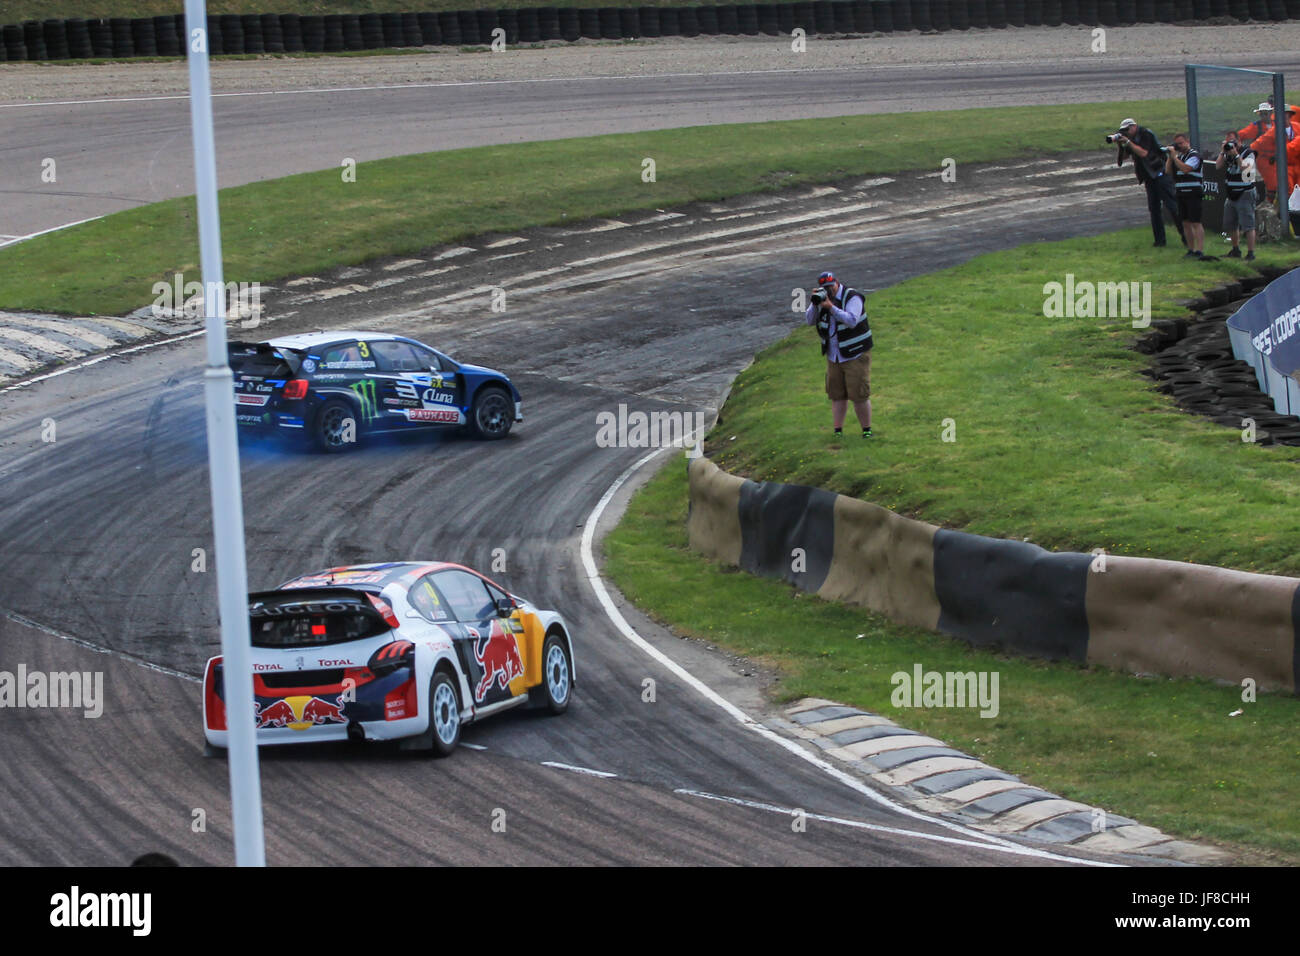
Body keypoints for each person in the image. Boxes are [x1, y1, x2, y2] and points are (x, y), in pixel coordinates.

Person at [803, 270, 872, 438]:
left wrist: (831, 308)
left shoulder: (852, 297)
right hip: (834, 356)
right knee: (836, 395)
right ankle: (838, 431)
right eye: (825, 288)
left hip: (854, 355)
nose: (829, 290)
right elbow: (809, 320)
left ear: (837, 282)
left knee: (859, 395)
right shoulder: (822, 299)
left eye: (830, 286)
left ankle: (866, 430)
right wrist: (815, 303)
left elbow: (851, 321)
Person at [1112, 118, 1183, 247]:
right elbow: (1121, 160)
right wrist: (1120, 146)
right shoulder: (1130, 139)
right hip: (1149, 178)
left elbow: (1144, 153)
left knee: (1172, 207)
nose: (1126, 133)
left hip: (1160, 174)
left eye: (1127, 130)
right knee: (1154, 209)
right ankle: (1159, 241)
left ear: (1134, 126)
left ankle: (1186, 237)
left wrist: (1128, 142)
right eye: (1123, 131)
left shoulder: (1146, 134)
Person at [1218, 130, 1257, 260]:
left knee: (1248, 225)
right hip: (1231, 194)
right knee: (1231, 224)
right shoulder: (1227, 153)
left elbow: (1246, 170)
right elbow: (1218, 166)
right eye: (1228, 142)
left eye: (1233, 142)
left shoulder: (1248, 153)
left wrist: (1236, 156)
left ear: (1240, 141)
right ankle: (1235, 250)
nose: (1231, 145)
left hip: (1245, 193)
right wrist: (1223, 151)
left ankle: (1251, 253)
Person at [1166, 132, 1204, 258]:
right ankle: (1190, 249)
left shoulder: (1194, 155)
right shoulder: (1179, 157)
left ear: (1187, 142)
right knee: (1186, 223)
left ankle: (1199, 250)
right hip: (1181, 192)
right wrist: (1170, 157)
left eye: (1181, 143)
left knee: (1196, 222)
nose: (1179, 146)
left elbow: (1186, 169)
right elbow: (1168, 171)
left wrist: (1175, 158)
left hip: (1193, 192)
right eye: (1177, 144)